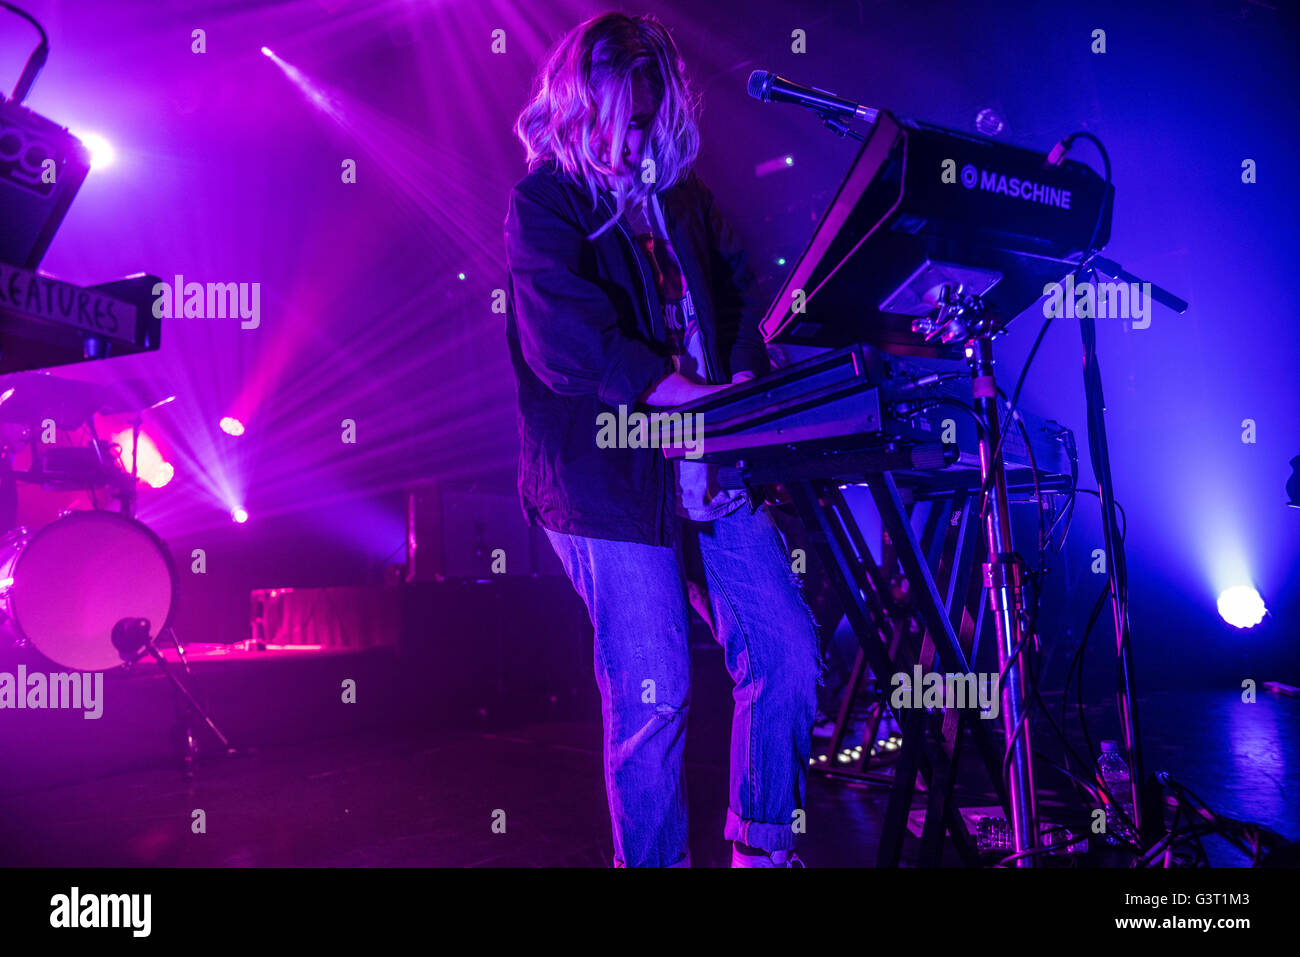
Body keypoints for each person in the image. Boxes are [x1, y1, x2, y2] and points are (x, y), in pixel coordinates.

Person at [504, 11, 821, 868]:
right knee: (657, 695)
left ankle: (763, 849)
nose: (633, 135)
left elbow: (740, 300)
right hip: (606, 485)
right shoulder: (546, 204)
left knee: (788, 655)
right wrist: (694, 413)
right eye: (620, 117)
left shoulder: (685, 201)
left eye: (648, 116)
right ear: (579, 107)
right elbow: (572, 347)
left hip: (711, 460)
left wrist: (743, 398)